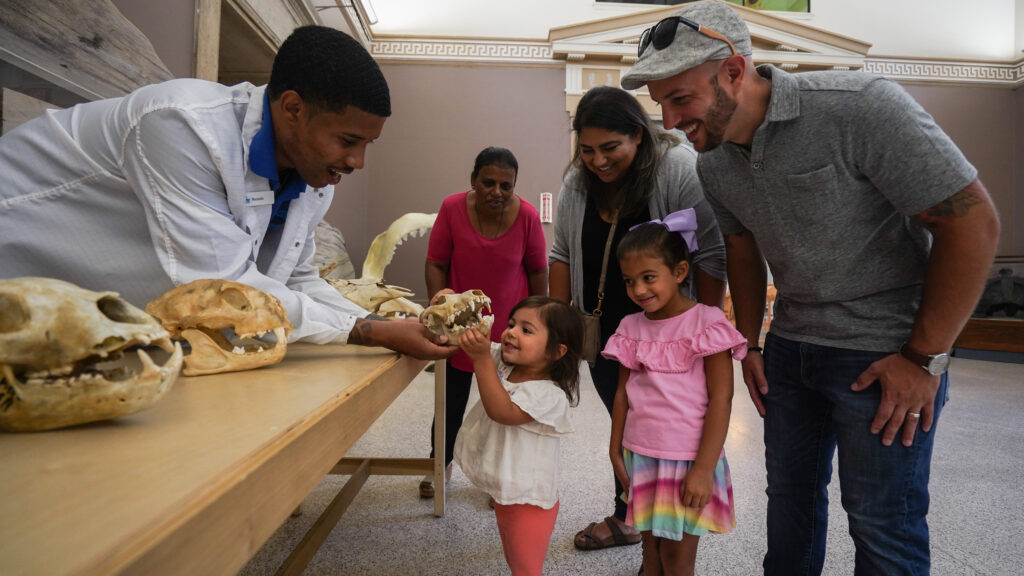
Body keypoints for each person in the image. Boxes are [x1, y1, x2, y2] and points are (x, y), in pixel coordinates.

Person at [620, 2, 1001, 574]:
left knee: (881, 524)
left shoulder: (861, 108)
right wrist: (745, 343)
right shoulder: (714, 163)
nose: (670, 122)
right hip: (793, 353)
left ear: (733, 72)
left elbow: (972, 221)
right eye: (661, 104)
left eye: (680, 99)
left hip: (884, 355)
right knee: (790, 510)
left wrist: (924, 358)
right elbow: (742, 247)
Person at [0, 26, 451, 359]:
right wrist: (366, 332)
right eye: (349, 141)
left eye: (367, 145)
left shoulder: (314, 177)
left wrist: (381, 323)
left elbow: (296, 278)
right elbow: (222, 287)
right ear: (292, 108)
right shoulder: (179, 124)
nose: (357, 162)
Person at [548, 85, 726, 551]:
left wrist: (704, 332)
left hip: (673, 342)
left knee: (673, 428)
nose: (598, 161)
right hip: (611, 333)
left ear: (640, 136)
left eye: (611, 148)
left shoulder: (678, 168)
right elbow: (562, 253)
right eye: (587, 150)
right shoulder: (577, 181)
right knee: (630, 426)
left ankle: (670, 523)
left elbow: (710, 253)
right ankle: (634, 516)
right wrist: (556, 333)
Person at [604, 213, 746, 576]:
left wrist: (702, 469)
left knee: (677, 561)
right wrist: (615, 448)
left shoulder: (707, 323)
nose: (638, 290)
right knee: (650, 558)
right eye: (629, 281)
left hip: (687, 461)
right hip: (642, 457)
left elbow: (722, 400)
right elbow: (622, 393)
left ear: (680, 272)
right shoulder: (629, 327)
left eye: (649, 278)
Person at [420, 147, 549, 498]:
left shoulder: (527, 217)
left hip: (510, 333)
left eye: (506, 185)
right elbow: (435, 263)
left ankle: (501, 481)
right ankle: (439, 464)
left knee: (505, 408)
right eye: (488, 183)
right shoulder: (451, 208)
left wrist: (539, 328)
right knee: (450, 401)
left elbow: (538, 273)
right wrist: (440, 308)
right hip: (463, 328)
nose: (497, 192)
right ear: (473, 180)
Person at [453, 296, 582, 576]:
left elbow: (503, 411)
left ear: (557, 351)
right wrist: (452, 304)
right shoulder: (507, 363)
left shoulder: (549, 394)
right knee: (515, 560)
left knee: (526, 568)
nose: (511, 332)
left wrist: (480, 359)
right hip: (508, 491)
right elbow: (472, 340)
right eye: (512, 324)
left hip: (529, 500)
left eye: (526, 330)